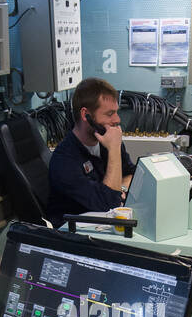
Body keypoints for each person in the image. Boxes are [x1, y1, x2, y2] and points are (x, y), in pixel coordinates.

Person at [46, 78, 136, 226]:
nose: (117, 119)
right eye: (109, 114)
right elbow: (108, 205)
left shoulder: (108, 139)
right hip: (74, 235)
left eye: (116, 112)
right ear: (85, 115)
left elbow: (132, 174)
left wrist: (121, 188)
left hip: (103, 226)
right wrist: (113, 150)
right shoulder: (64, 160)